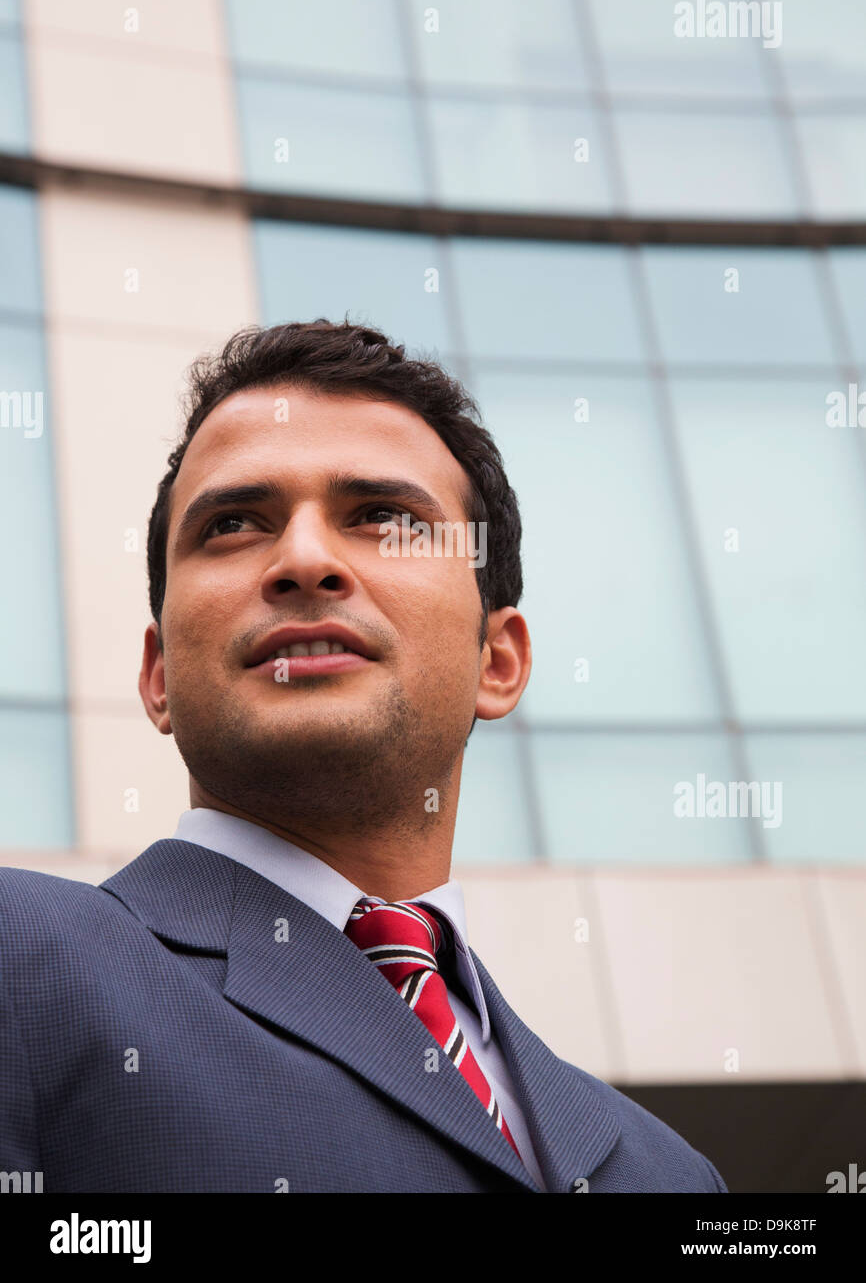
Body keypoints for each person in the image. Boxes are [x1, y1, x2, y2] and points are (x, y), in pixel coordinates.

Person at [0, 319, 727, 1193]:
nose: (304, 560)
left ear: (497, 662)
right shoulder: (22, 963)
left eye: (381, 516)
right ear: (157, 676)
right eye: (233, 524)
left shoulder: (669, 1171)